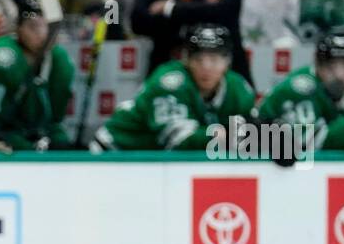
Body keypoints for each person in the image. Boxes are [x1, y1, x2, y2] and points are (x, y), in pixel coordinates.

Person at [91, 24, 255, 152]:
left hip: (159, 161)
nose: (206, 67)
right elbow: (178, 141)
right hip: (115, 152)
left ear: (227, 62)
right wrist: (227, 136)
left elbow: (251, 128)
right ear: (187, 60)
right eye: (198, 59)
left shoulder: (238, 88)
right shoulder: (170, 83)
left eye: (214, 59)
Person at [0, 0, 74, 149]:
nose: (43, 35)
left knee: (62, 143)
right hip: (3, 133)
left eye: (49, 26)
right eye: (33, 26)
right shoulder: (3, 55)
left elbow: (55, 119)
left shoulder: (60, 60)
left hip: (41, 132)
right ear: (18, 27)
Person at [252, 27, 344, 154]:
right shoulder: (297, 90)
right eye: (331, 66)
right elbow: (307, 143)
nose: (339, 75)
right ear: (317, 64)